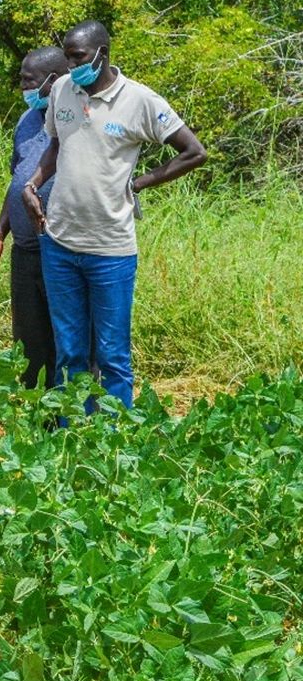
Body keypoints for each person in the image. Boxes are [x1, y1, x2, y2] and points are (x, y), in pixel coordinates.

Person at [24, 20, 206, 411]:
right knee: (69, 352)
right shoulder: (61, 90)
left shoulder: (140, 101)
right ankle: (71, 434)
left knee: (112, 356)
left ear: (102, 54)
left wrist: (138, 184)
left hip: (110, 250)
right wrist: (33, 183)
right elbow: (56, 146)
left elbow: (194, 151)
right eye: (68, 57)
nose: (73, 66)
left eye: (79, 58)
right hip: (59, 243)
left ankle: (113, 440)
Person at [0, 46, 70, 387]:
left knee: (67, 339)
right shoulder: (27, 120)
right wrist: (0, 232)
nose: (23, 88)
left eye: (29, 81)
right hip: (26, 250)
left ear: (54, 81)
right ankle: (38, 419)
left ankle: (71, 420)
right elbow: (18, 181)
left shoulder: (78, 117)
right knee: (30, 340)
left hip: (63, 249)